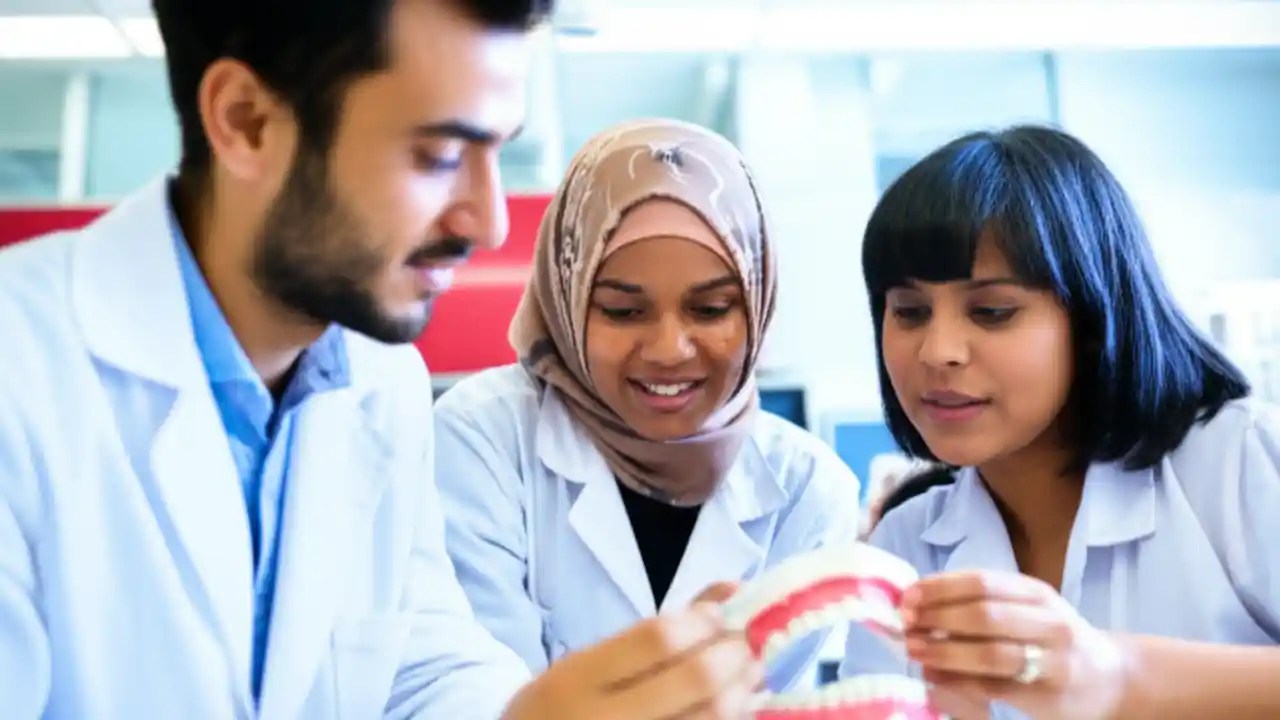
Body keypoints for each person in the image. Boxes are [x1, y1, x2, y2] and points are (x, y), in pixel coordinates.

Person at [0, 2, 764, 718]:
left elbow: (417, 663)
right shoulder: (23, 373)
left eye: (497, 151)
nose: (490, 221)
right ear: (247, 122)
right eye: (437, 155)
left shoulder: (378, 376)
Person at [842, 125, 1280, 719]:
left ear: (1094, 315)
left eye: (992, 311)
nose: (937, 351)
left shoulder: (1234, 460)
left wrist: (1118, 679)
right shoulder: (905, 546)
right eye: (910, 312)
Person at [434, 118, 863, 691]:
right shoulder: (483, 439)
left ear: (757, 307)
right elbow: (474, 694)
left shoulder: (809, 489)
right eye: (621, 310)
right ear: (567, 303)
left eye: (710, 310)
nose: (668, 350)